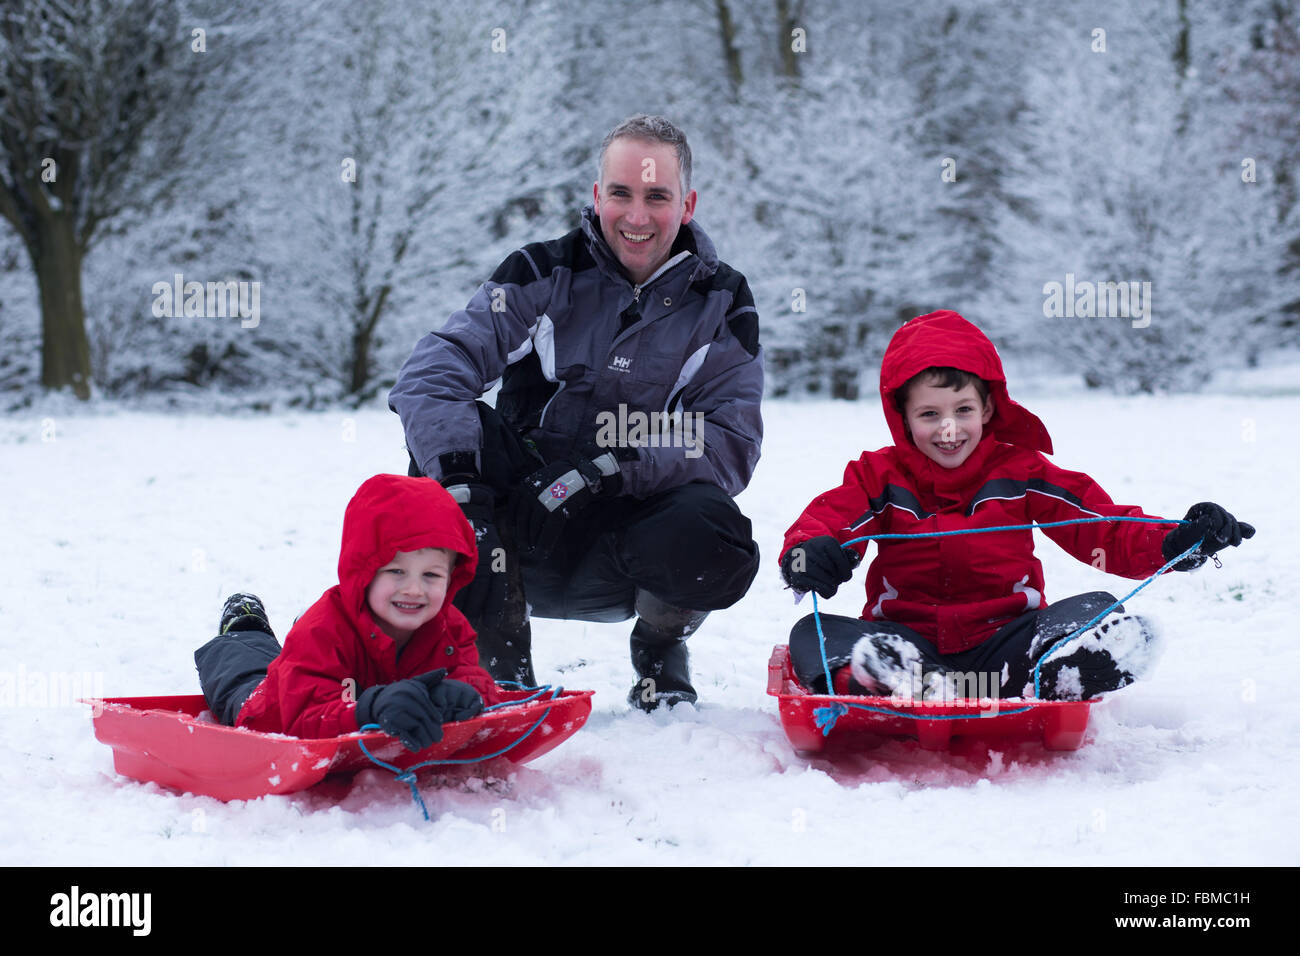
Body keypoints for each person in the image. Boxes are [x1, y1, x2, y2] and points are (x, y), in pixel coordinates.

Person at [389, 114, 763, 710]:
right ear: (596, 196)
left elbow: (728, 440)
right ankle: (499, 664)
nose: (636, 217)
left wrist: (607, 468)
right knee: (441, 466)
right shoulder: (539, 272)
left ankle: (660, 652)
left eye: (657, 197)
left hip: (627, 531)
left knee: (714, 530)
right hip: (516, 527)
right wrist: (461, 481)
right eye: (621, 194)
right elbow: (434, 371)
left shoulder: (723, 301)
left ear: (687, 204)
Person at [778, 310, 1255, 702]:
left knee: (1095, 610)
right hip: (908, 642)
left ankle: (1059, 671)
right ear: (901, 416)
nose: (949, 429)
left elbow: (1100, 528)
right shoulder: (877, 476)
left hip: (1008, 645)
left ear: (987, 409)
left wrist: (1177, 542)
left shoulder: (1022, 472)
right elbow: (828, 521)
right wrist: (809, 555)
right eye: (929, 414)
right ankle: (886, 676)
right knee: (813, 632)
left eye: (962, 410)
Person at [193, 474, 500, 751]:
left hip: (342, 683)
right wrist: (370, 708)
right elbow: (302, 719)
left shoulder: (449, 627)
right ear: (364, 573)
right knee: (243, 669)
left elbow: (475, 680)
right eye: (396, 571)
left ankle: (286, 653)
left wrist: (463, 695)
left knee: (307, 660)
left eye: (431, 576)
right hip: (272, 708)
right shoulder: (323, 631)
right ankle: (244, 627)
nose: (414, 590)